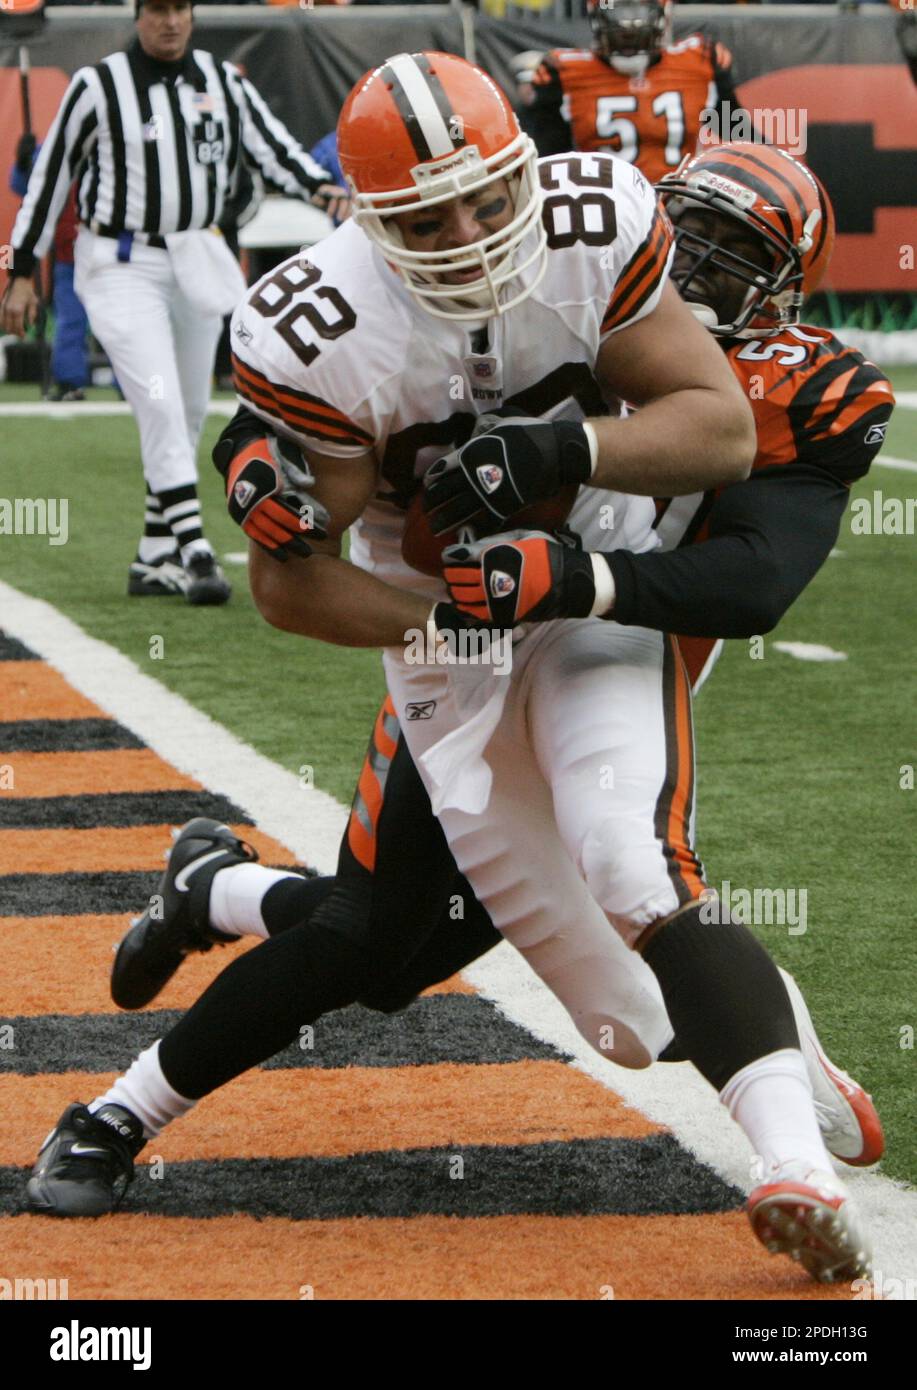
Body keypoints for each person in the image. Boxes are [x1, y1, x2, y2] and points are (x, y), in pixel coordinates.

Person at [26, 58, 868, 1285]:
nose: (467, 239)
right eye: (425, 216)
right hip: (449, 619)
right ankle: (123, 1099)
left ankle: (792, 1159)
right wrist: (274, 474)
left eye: (487, 204)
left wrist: (567, 540)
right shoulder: (330, 311)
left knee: (627, 877)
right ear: (363, 217)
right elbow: (299, 535)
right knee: (402, 948)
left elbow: (741, 536)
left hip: (597, 614)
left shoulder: (709, 316)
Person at [0, 0, 347, 605]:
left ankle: (152, 556)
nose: (171, 22)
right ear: (138, 16)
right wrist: (23, 270)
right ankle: (194, 547)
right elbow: (51, 176)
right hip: (120, 260)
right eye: (158, 9)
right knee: (159, 396)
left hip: (197, 255)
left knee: (189, 407)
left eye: (180, 8)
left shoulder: (219, 80)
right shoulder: (97, 85)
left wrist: (325, 191)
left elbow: (274, 149)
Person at [520, 0, 741, 181]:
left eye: (639, 8)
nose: (628, 26)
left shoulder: (701, 61)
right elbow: (547, 161)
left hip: (678, 204)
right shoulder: (562, 71)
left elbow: (741, 138)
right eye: (616, 9)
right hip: (604, 206)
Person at [9, 135, 91, 401]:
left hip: (113, 251)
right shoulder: (52, 149)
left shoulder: (118, 141)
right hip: (69, 253)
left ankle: (135, 387)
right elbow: (26, 188)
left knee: (123, 323)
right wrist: (23, 164)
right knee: (70, 320)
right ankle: (70, 383)